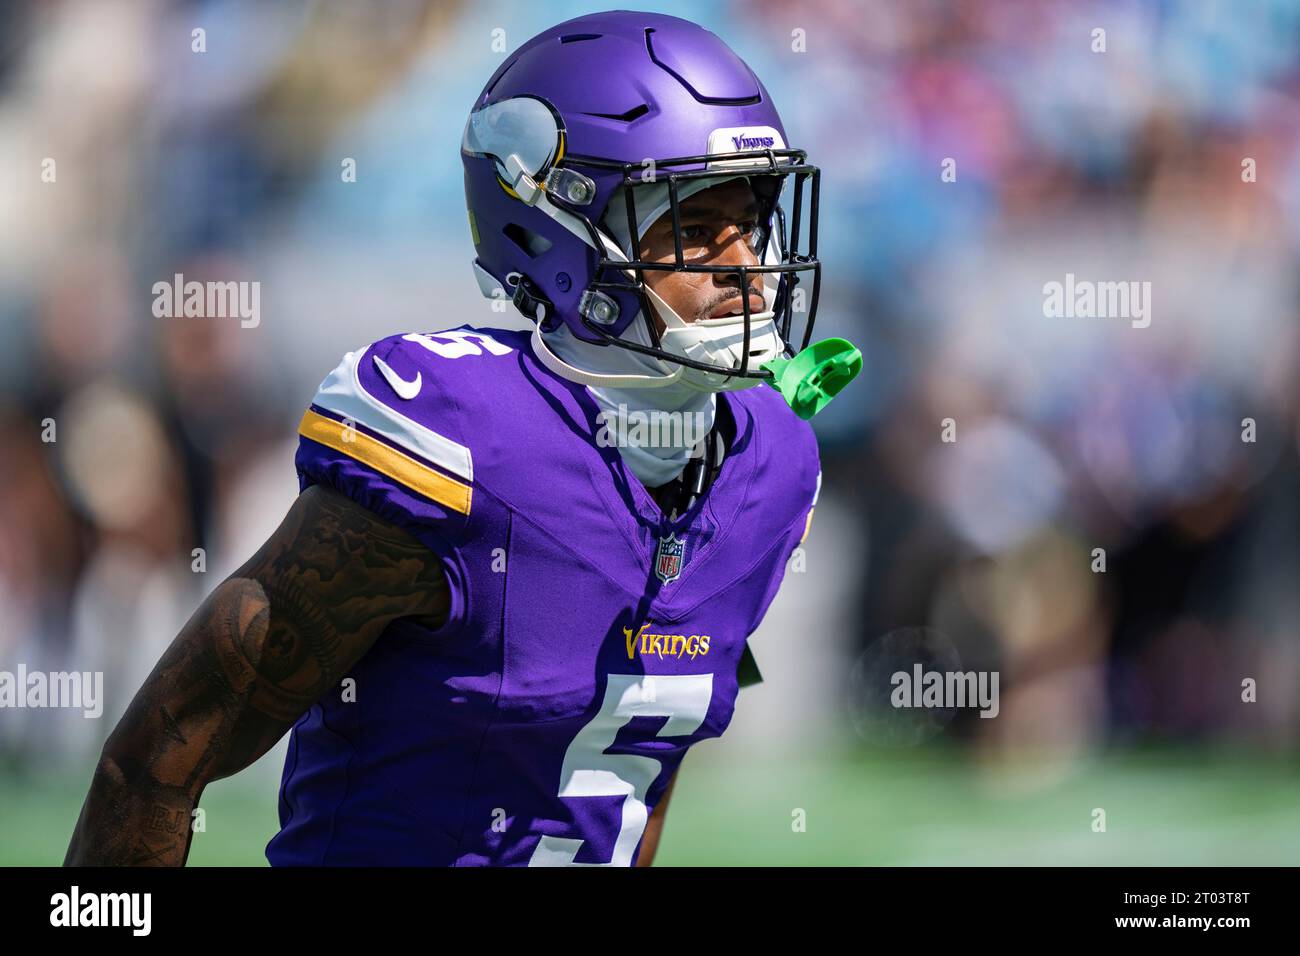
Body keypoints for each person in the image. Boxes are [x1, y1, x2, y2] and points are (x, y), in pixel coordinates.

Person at [65, 10, 852, 867]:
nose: (746, 265)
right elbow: (154, 765)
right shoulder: (463, 443)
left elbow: (634, 770)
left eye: (754, 221)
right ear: (560, 234)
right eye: (694, 229)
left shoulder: (769, 465)